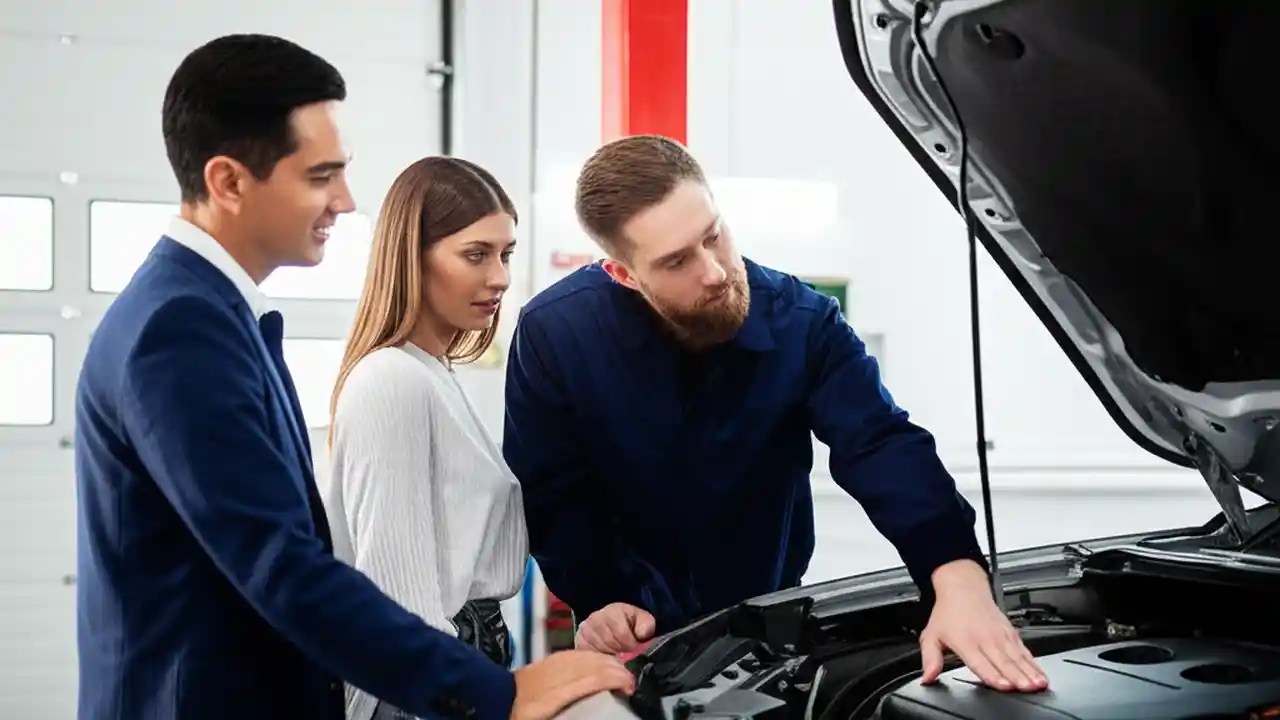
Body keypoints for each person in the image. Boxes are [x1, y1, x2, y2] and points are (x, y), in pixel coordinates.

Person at [74, 34, 632, 720]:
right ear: (228, 182)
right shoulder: (179, 327)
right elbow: (280, 566)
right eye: (319, 176)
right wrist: (498, 693)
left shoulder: (215, 314)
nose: (343, 200)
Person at [503, 134, 1049, 694]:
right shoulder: (556, 335)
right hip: (628, 635)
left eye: (713, 235)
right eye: (676, 261)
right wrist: (596, 598)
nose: (714, 271)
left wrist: (956, 574)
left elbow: (881, 444)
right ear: (623, 274)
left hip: (768, 627)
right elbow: (552, 490)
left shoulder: (804, 323)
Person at [322, 156, 529, 720]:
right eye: (475, 254)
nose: (501, 277)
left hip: (458, 663)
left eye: (506, 254)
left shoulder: (432, 373)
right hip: (426, 686)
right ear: (411, 257)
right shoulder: (392, 380)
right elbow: (399, 603)